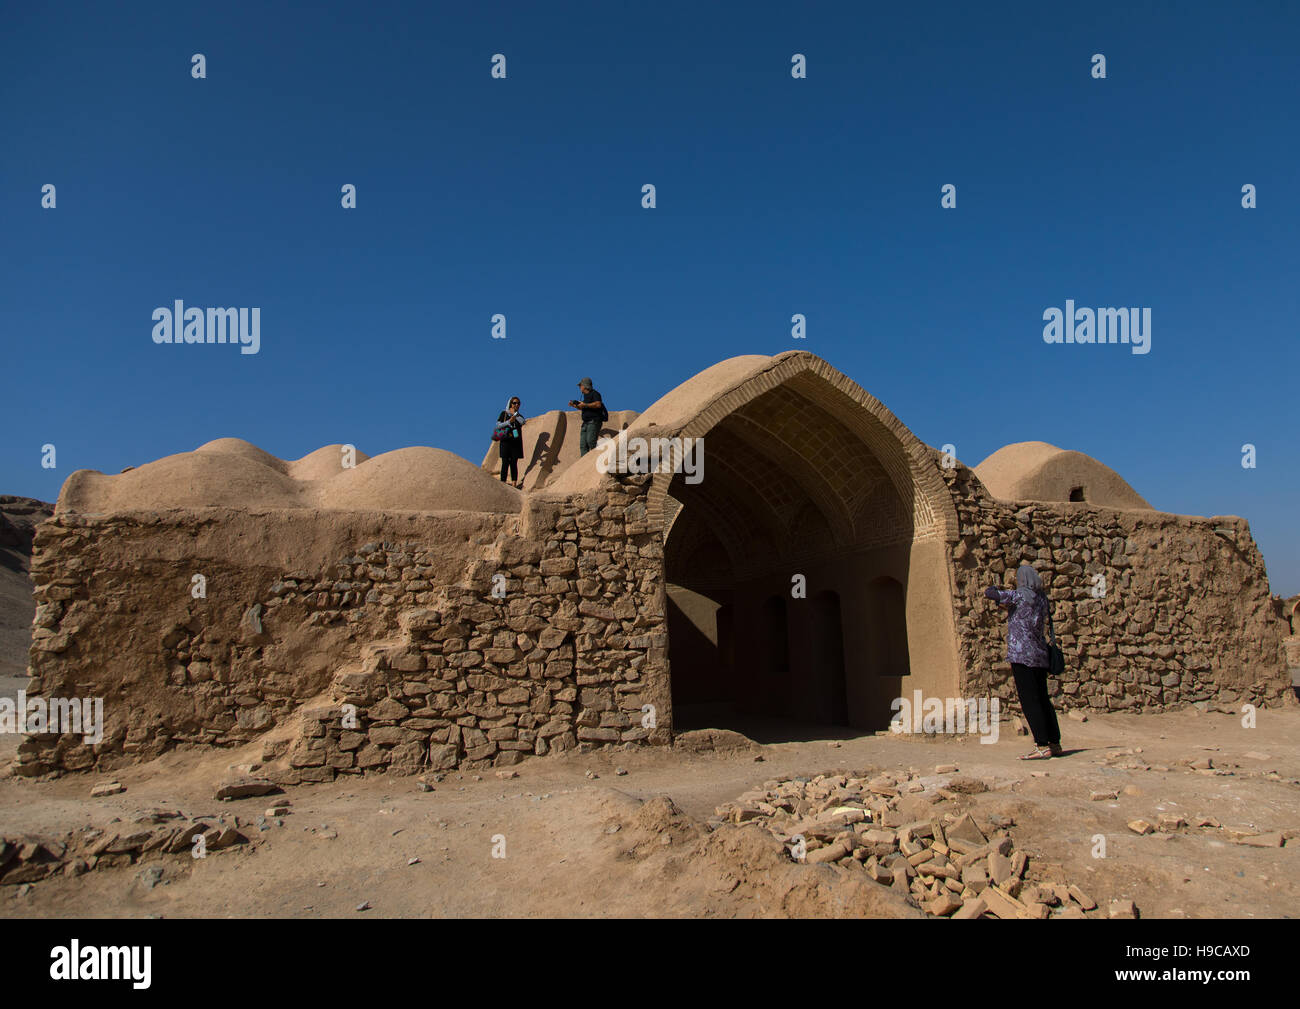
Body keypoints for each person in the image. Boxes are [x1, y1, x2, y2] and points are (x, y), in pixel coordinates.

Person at [984, 563, 1063, 760]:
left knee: (1030, 701)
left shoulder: (1018, 596)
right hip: (1040, 655)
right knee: (1044, 700)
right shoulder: (1042, 599)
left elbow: (990, 594)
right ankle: (1054, 742)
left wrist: (995, 588)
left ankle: (1042, 745)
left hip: (1021, 656)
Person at [568, 377, 605, 456]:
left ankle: (598, 457)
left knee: (591, 441)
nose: (580, 387)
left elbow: (598, 404)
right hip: (585, 423)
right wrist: (574, 406)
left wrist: (585, 404)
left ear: (584, 386)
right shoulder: (585, 396)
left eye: (580, 386)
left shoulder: (595, 394)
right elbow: (583, 407)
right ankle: (584, 463)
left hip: (594, 421)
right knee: (583, 445)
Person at [495, 397, 526, 487]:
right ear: (510, 404)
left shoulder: (519, 416)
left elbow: (523, 422)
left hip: (515, 442)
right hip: (505, 441)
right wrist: (509, 421)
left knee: (513, 463)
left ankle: (514, 484)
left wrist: (515, 415)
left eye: (518, 403)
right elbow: (498, 426)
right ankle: (503, 482)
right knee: (505, 462)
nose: (517, 405)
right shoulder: (504, 413)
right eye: (515, 403)